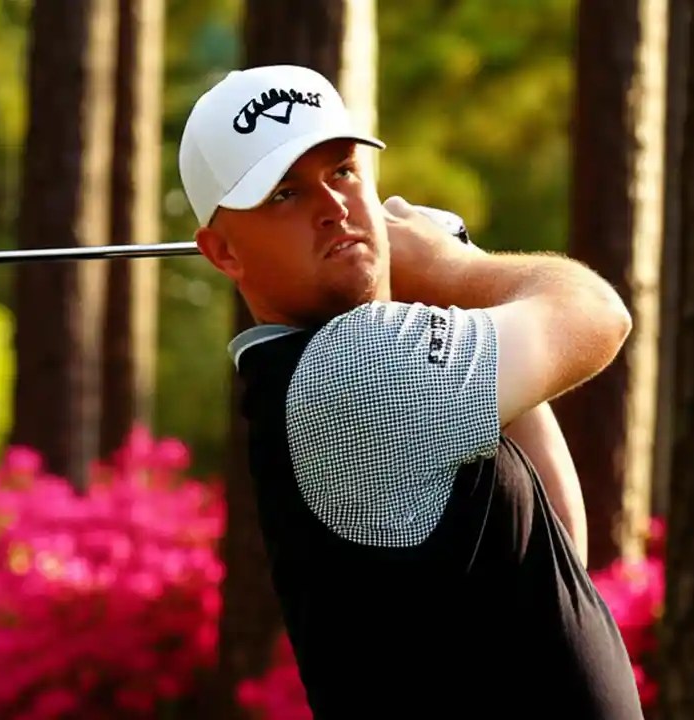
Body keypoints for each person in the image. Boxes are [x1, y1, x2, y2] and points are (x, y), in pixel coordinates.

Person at [179, 64, 644, 719]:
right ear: (223, 253)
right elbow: (598, 314)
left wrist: (449, 293)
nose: (334, 208)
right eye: (285, 194)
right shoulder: (355, 374)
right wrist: (457, 267)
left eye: (342, 172)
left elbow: (554, 554)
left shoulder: (319, 379)